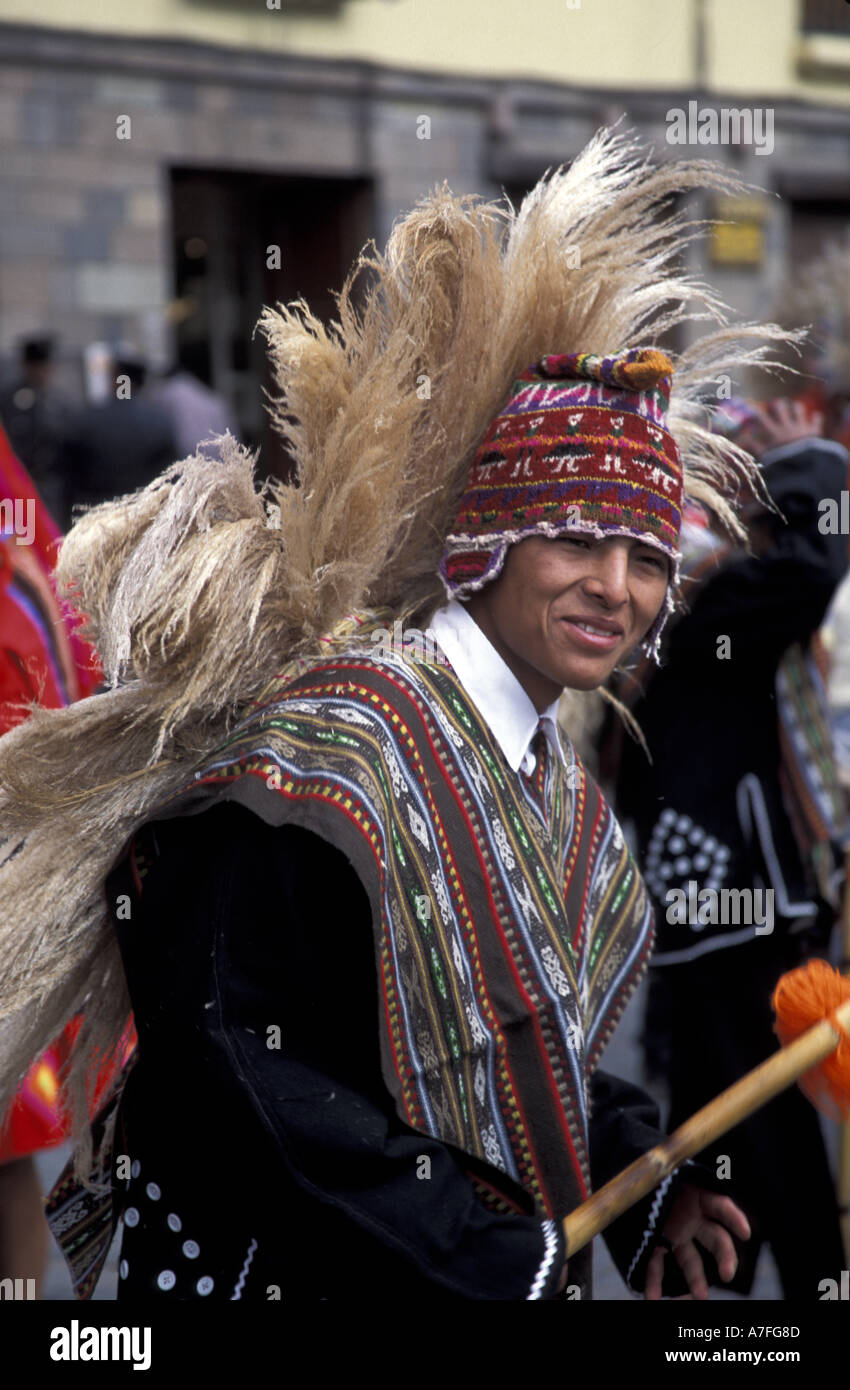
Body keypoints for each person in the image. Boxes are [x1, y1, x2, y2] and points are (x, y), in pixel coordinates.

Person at [0, 128, 792, 1301]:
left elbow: (530, 1050)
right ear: (488, 544)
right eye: (575, 538)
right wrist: (460, 1241)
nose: (613, 586)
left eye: (642, 555)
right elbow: (231, 1055)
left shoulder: (552, 783)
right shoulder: (341, 734)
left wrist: (645, 1175)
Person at [612, 395, 850, 1298]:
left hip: (710, 900)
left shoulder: (691, 600)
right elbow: (816, 564)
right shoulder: (706, 594)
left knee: (723, 1131)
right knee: (768, 1127)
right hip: (735, 903)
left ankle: (712, 1312)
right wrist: (807, 458)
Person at [61, 347, 177, 520]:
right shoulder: (160, 421)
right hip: (144, 517)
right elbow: (170, 476)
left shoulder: (87, 418)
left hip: (96, 518)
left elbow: (68, 476)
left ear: (115, 379)